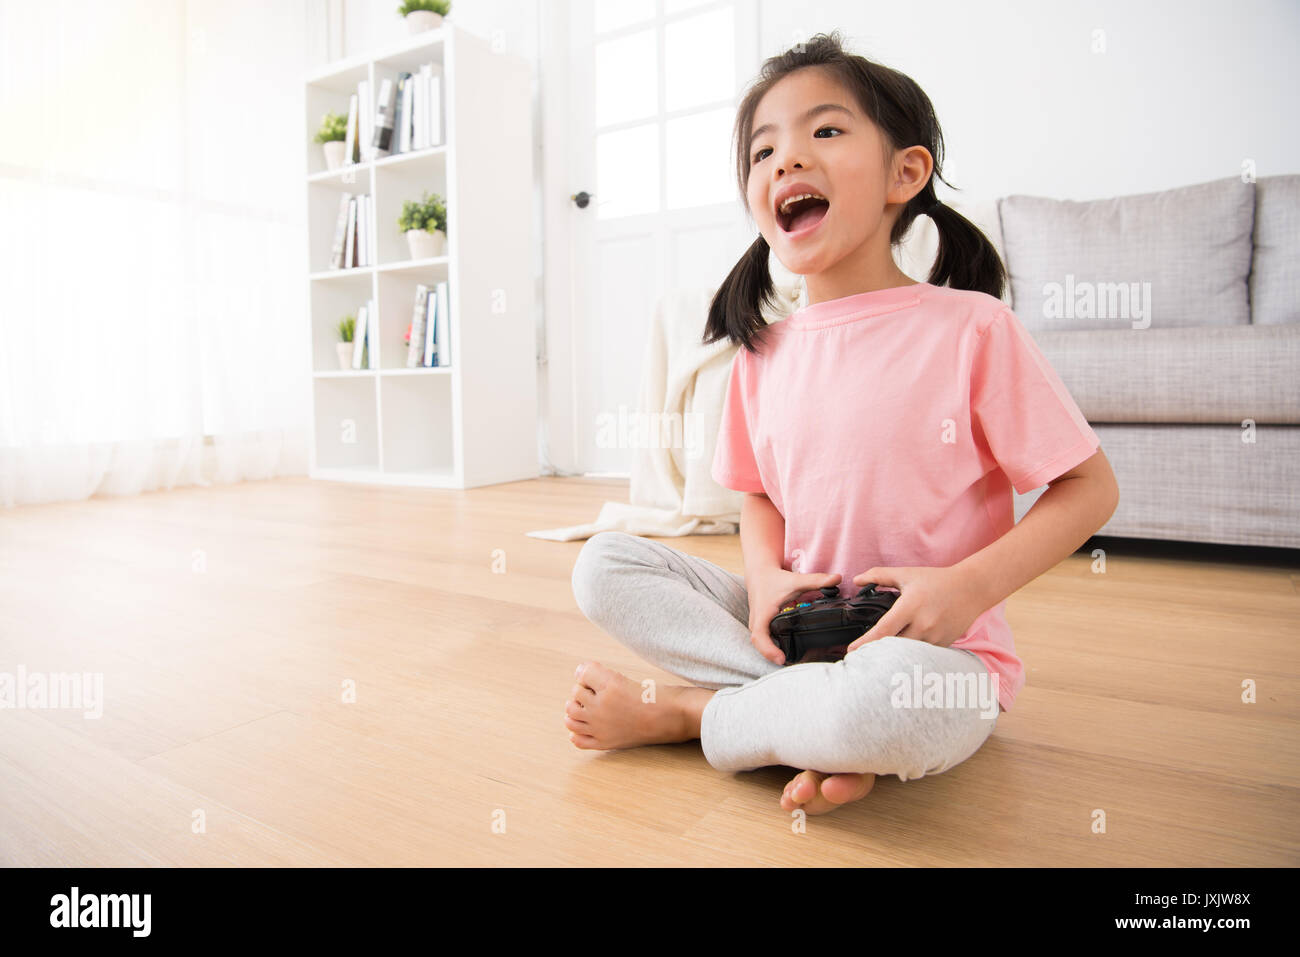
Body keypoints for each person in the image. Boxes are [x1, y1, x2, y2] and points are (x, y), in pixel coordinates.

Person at [564, 31, 1119, 816]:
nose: (786, 160)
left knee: (885, 701)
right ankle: (808, 719)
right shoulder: (763, 349)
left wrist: (967, 588)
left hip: (936, 657)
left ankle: (693, 713)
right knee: (603, 566)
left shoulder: (972, 328)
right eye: (762, 152)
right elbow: (759, 498)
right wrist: (763, 584)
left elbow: (1089, 488)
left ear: (906, 172)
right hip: (791, 628)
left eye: (824, 131)